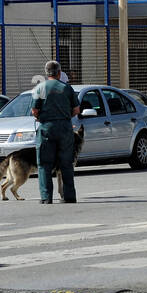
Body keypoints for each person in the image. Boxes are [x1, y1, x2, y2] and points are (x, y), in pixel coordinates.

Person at [32, 60, 83, 204]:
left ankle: (46, 197)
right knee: (66, 163)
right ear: (59, 73)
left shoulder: (40, 88)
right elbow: (76, 110)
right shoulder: (67, 88)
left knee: (44, 164)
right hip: (65, 129)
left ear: (46, 73)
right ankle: (69, 196)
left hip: (46, 129)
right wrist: (65, 117)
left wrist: (42, 117)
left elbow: (34, 111)